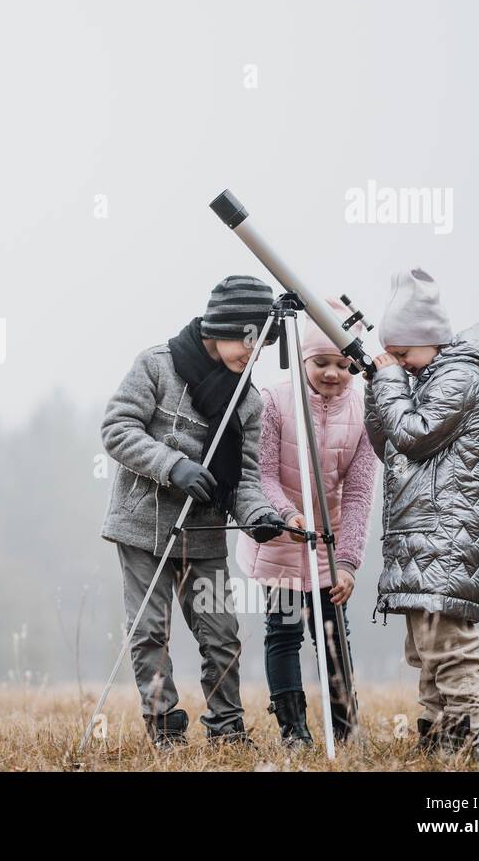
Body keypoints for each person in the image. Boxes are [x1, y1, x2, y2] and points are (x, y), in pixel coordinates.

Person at [100, 275, 287, 748]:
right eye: (250, 340)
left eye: (262, 344)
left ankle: (228, 730)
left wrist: (261, 514)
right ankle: (165, 728)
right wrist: (173, 466)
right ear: (223, 326)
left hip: (204, 536)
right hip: (143, 527)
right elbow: (117, 428)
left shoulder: (247, 400)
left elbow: (245, 479)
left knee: (222, 635)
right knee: (149, 632)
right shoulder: (156, 367)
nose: (255, 353)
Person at [364, 267, 479, 760]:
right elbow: (390, 446)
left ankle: (466, 736)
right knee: (424, 647)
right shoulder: (421, 380)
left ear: (431, 340)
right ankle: (436, 734)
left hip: (449, 531)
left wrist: (389, 382)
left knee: (450, 643)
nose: (399, 363)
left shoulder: (460, 378)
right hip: (421, 533)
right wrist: (375, 388)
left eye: (403, 353)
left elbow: (415, 435)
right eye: (394, 357)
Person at [238, 298, 377, 747]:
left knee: (334, 633)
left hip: (329, 547)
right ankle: (293, 729)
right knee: (284, 631)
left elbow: (358, 494)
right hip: (280, 538)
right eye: (321, 362)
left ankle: (345, 727)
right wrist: (286, 515)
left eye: (342, 364)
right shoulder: (275, 402)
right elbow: (261, 473)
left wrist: (350, 562)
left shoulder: (363, 413)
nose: (332, 373)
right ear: (302, 360)